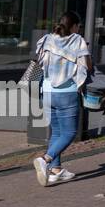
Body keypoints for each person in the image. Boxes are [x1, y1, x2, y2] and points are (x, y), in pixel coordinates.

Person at [31, 11, 91, 187]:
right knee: (69, 132)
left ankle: (56, 170)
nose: (79, 29)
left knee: (56, 133)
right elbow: (86, 66)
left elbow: (40, 62)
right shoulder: (77, 40)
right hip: (67, 92)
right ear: (73, 26)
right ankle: (45, 159)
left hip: (47, 91)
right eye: (78, 26)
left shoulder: (46, 39)